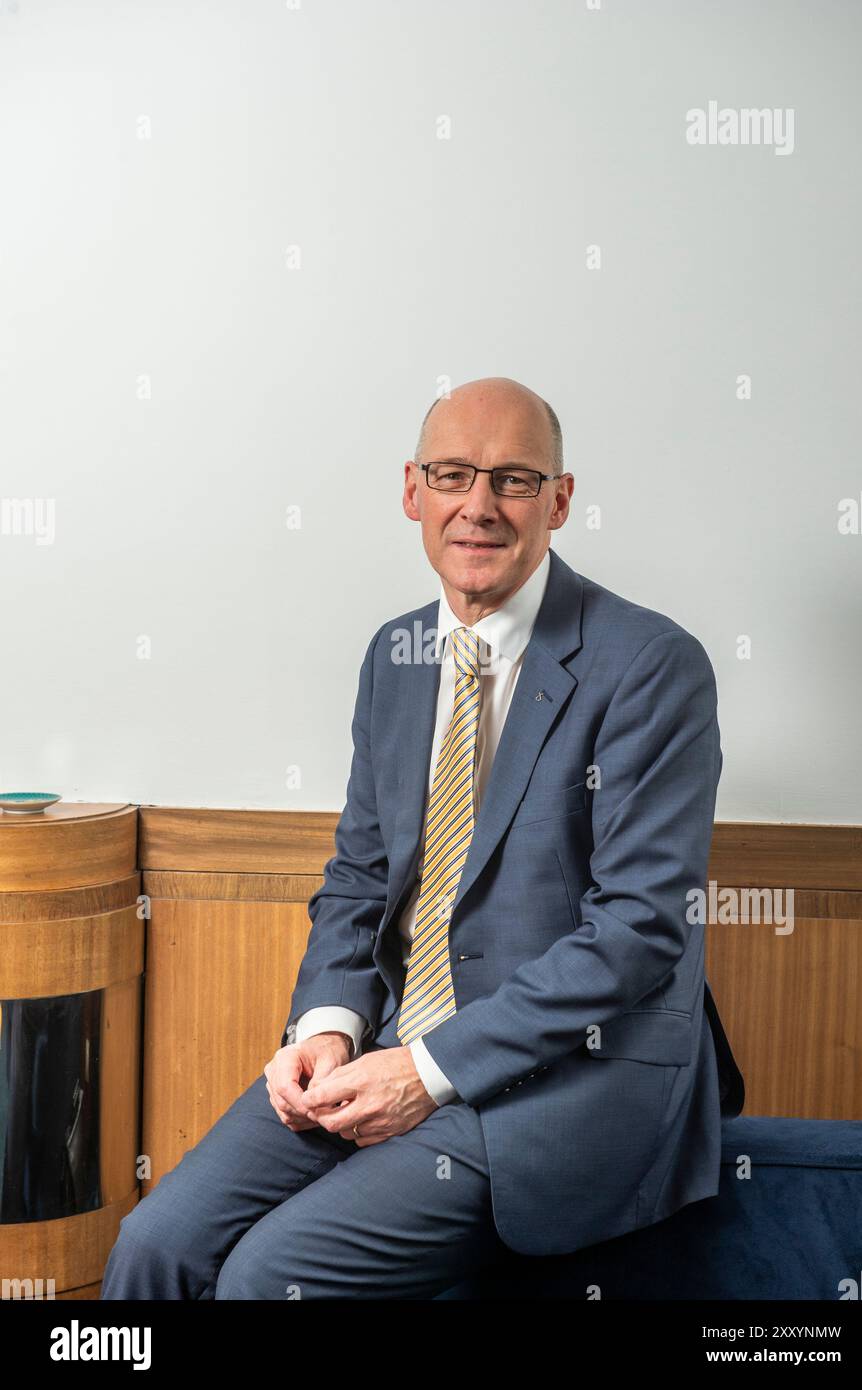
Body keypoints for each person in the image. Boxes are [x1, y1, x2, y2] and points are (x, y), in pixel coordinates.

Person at [101, 376, 743, 1300]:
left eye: (514, 480)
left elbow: (640, 930)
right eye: (452, 474)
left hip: (566, 1082)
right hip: (388, 1043)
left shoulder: (649, 664)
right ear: (413, 492)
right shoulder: (393, 657)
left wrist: (428, 1072)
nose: (478, 505)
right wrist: (328, 1026)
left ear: (559, 501)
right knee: (152, 1247)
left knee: (268, 1278)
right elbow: (360, 879)